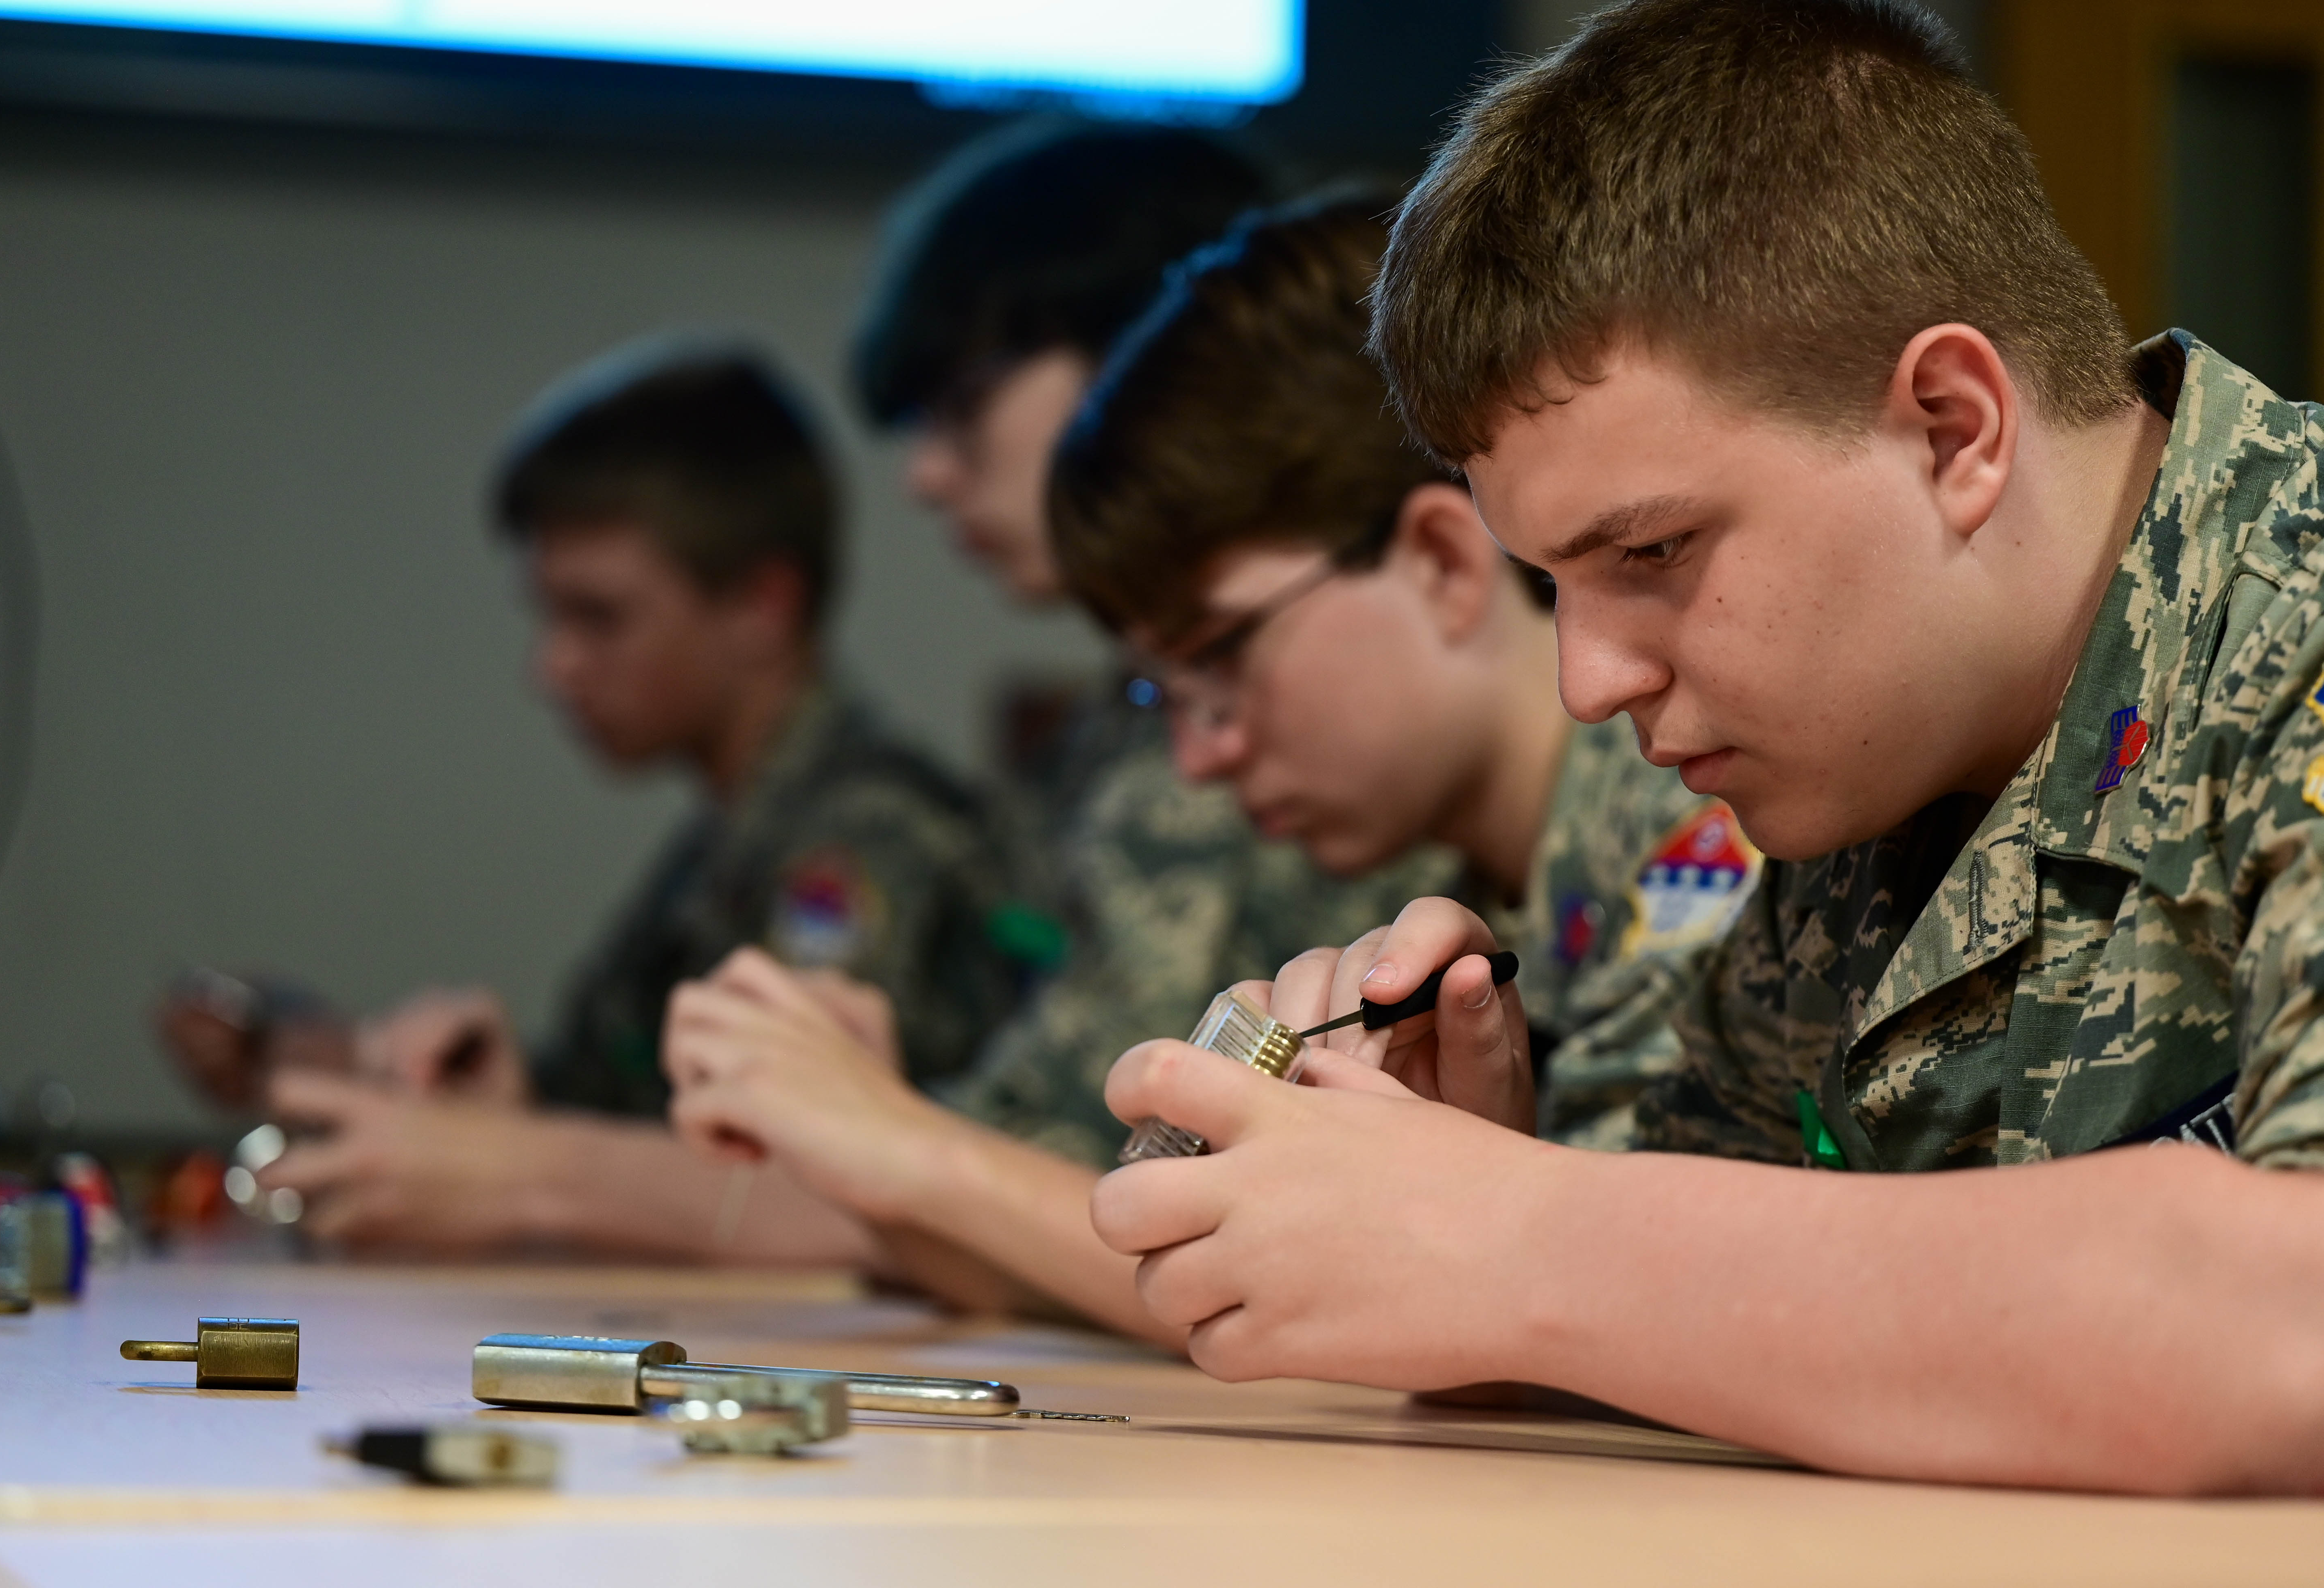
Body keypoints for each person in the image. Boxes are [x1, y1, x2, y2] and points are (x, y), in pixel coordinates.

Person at [1086, 0, 2324, 1496]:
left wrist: (1517, 1235)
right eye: (1557, 582)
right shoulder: (1876, 755)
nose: (1588, 680)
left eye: (1653, 551)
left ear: (1951, 427)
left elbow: (2287, 1328)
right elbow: (1758, 1347)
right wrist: (1456, 1226)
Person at [662, 197, 1745, 1339]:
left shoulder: (1679, 810)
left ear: (1438, 561)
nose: (1201, 751)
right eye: (1162, 695)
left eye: (1225, 656)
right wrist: (873, 1146)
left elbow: (1599, 1315)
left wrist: (905, 1145)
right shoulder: (1464, 869)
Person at [155, 342, 1018, 1261]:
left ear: (764, 604)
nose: (552, 666)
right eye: (549, 618)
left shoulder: (860, 836)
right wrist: (491, 1088)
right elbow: (645, 1106)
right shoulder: (736, 831)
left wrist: (519, 1164)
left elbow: (805, 1180)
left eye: (599, 617)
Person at [854, 122, 1456, 1170]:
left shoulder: (1316, 695)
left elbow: (1099, 1156)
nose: (927, 475)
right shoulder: (1152, 717)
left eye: (966, 406)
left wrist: (861, 1131)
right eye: (1170, 687)